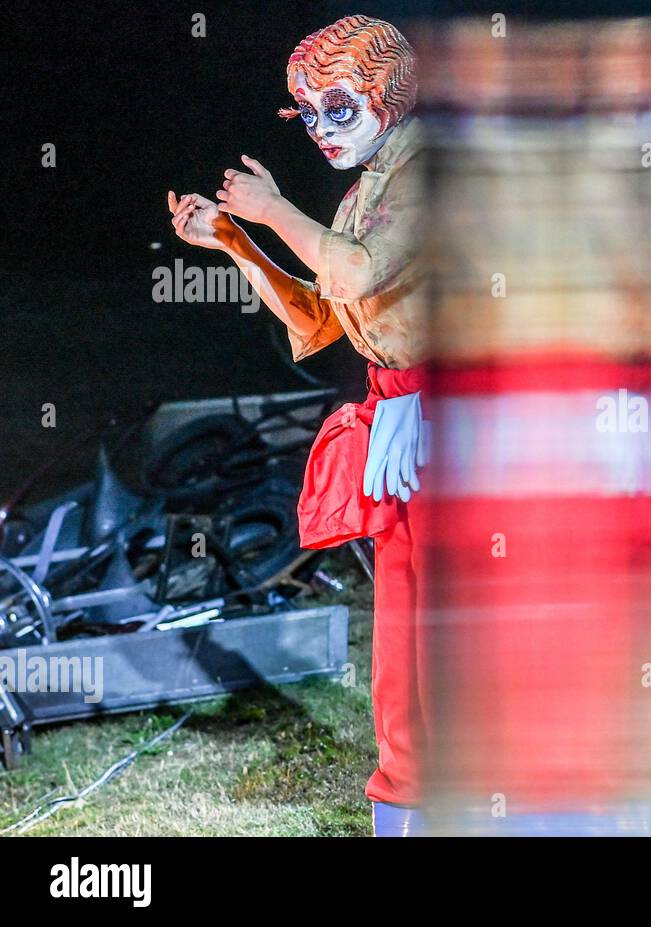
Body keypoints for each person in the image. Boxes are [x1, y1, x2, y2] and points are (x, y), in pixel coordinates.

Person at [166, 14, 434, 835]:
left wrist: (276, 208)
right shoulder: (367, 186)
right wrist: (237, 241)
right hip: (399, 413)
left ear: (388, 96)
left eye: (338, 108)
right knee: (402, 639)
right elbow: (322, 317)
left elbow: (351, 268)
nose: (320, 130)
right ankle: (409, 805)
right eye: (308, 113)